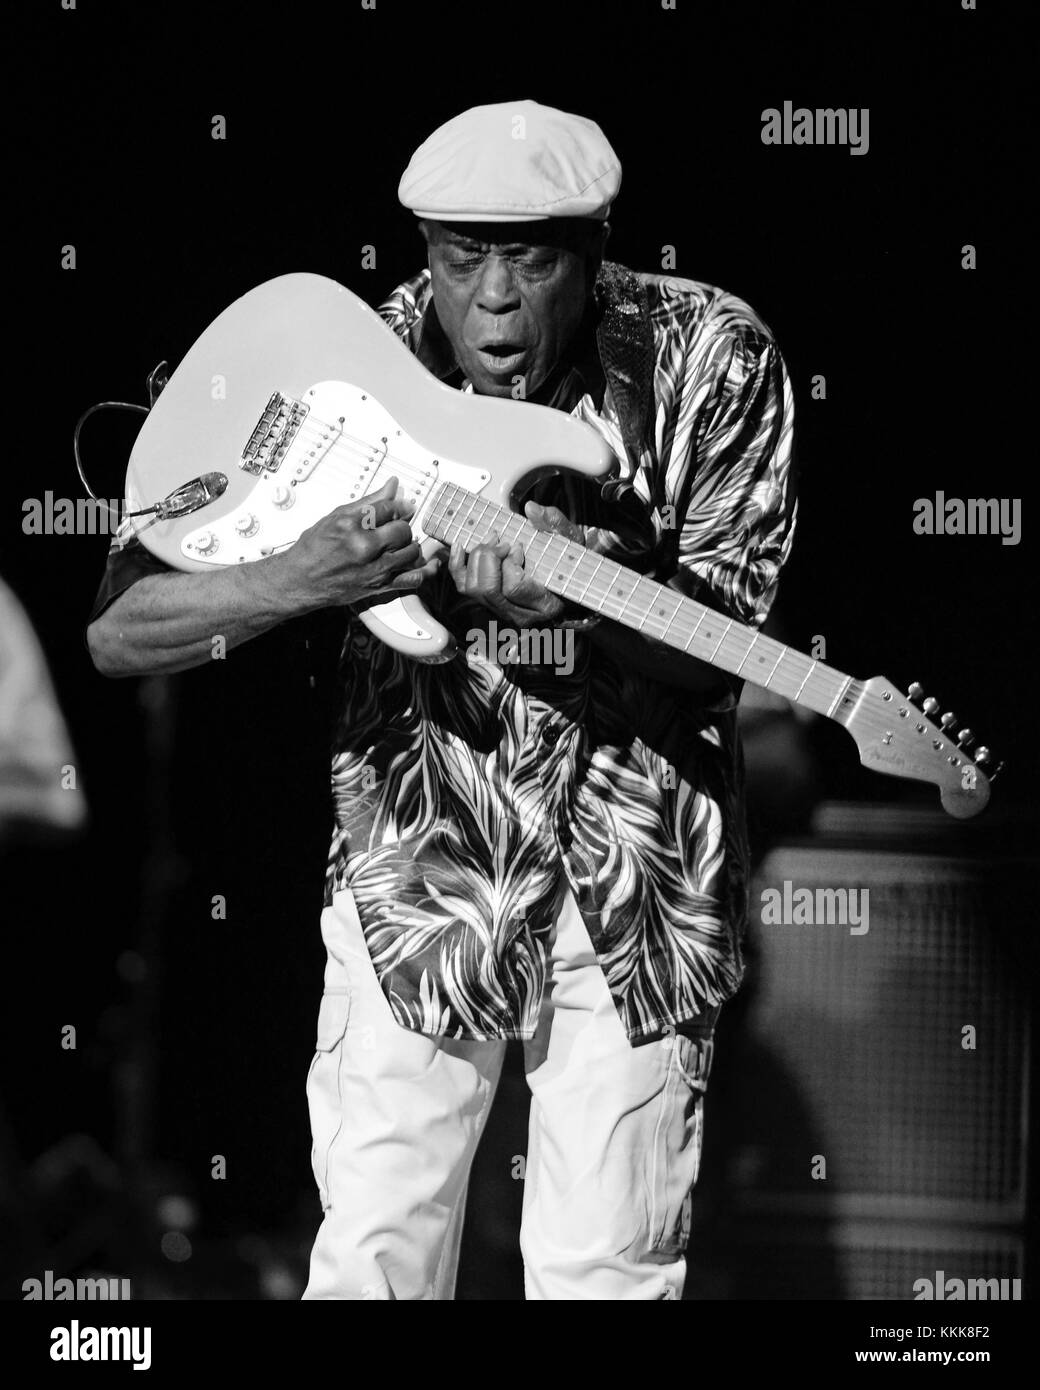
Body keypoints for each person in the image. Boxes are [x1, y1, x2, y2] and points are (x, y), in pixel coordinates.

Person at [86, 99, 797, 1301]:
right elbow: (119, 630)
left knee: (606, 1274)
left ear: (594, 246)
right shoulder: (346, 366)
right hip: (413, 867)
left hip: (636, 876)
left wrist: (571, 601)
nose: (495, 300)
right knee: (373, 1259)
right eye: (462, 258)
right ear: (423, 249)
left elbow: (729, 647)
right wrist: (304, 575)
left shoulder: (710, 356)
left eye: (530, 258)